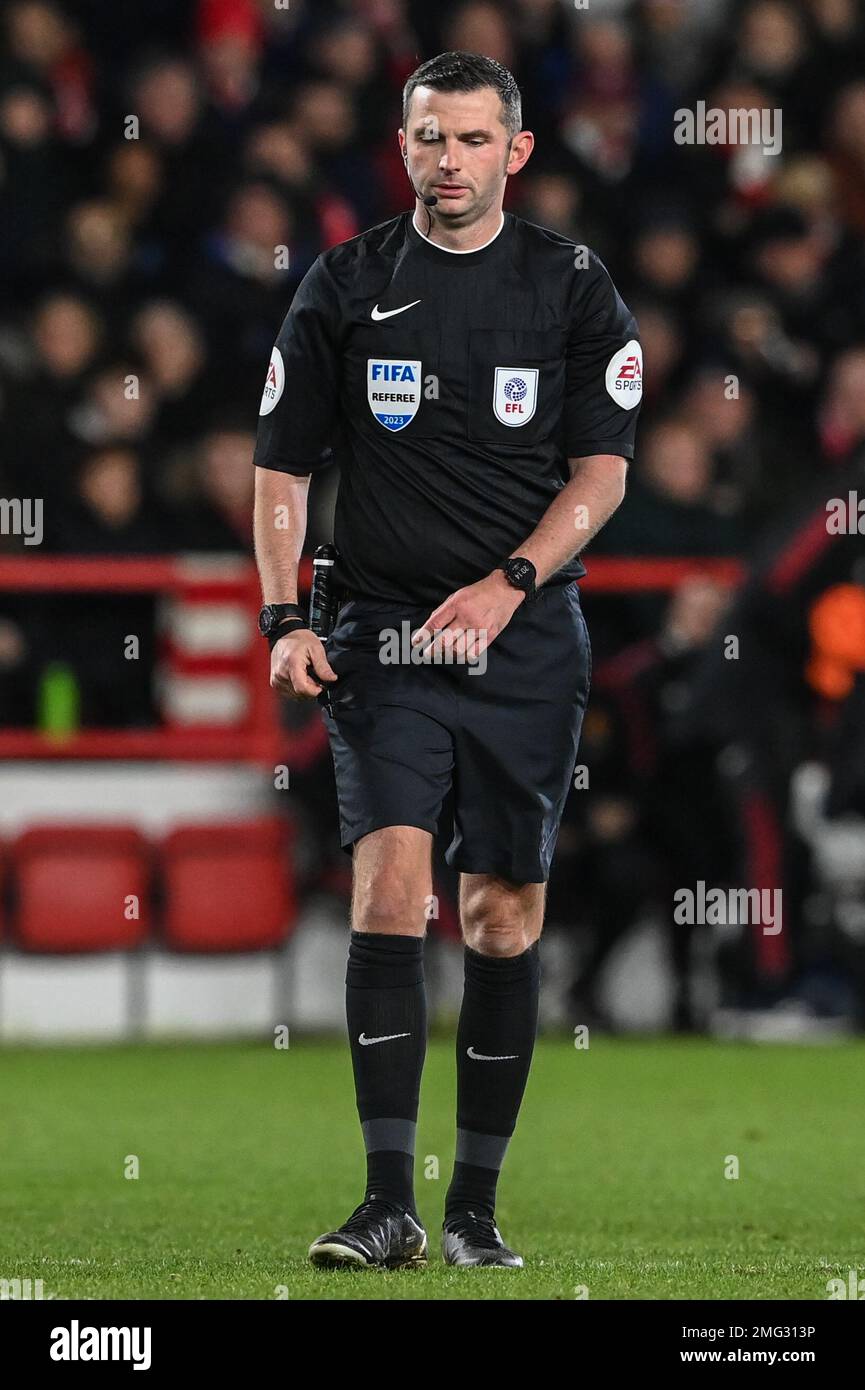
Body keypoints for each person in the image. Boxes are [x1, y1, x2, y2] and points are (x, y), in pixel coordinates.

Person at [252, 51, 642, 1270]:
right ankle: (386, 1203)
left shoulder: (572, 286)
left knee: (500, 914)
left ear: (515, 152)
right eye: (431, 139)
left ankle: (471, 1207)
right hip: (381, 635)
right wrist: (283, 620)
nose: (450, 162)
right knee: (389, 888)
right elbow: (279, 471)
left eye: (474, 140)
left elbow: (604, 471)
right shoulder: (347, 282)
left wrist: (512, 581)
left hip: (523, 642)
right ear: (403, 144)